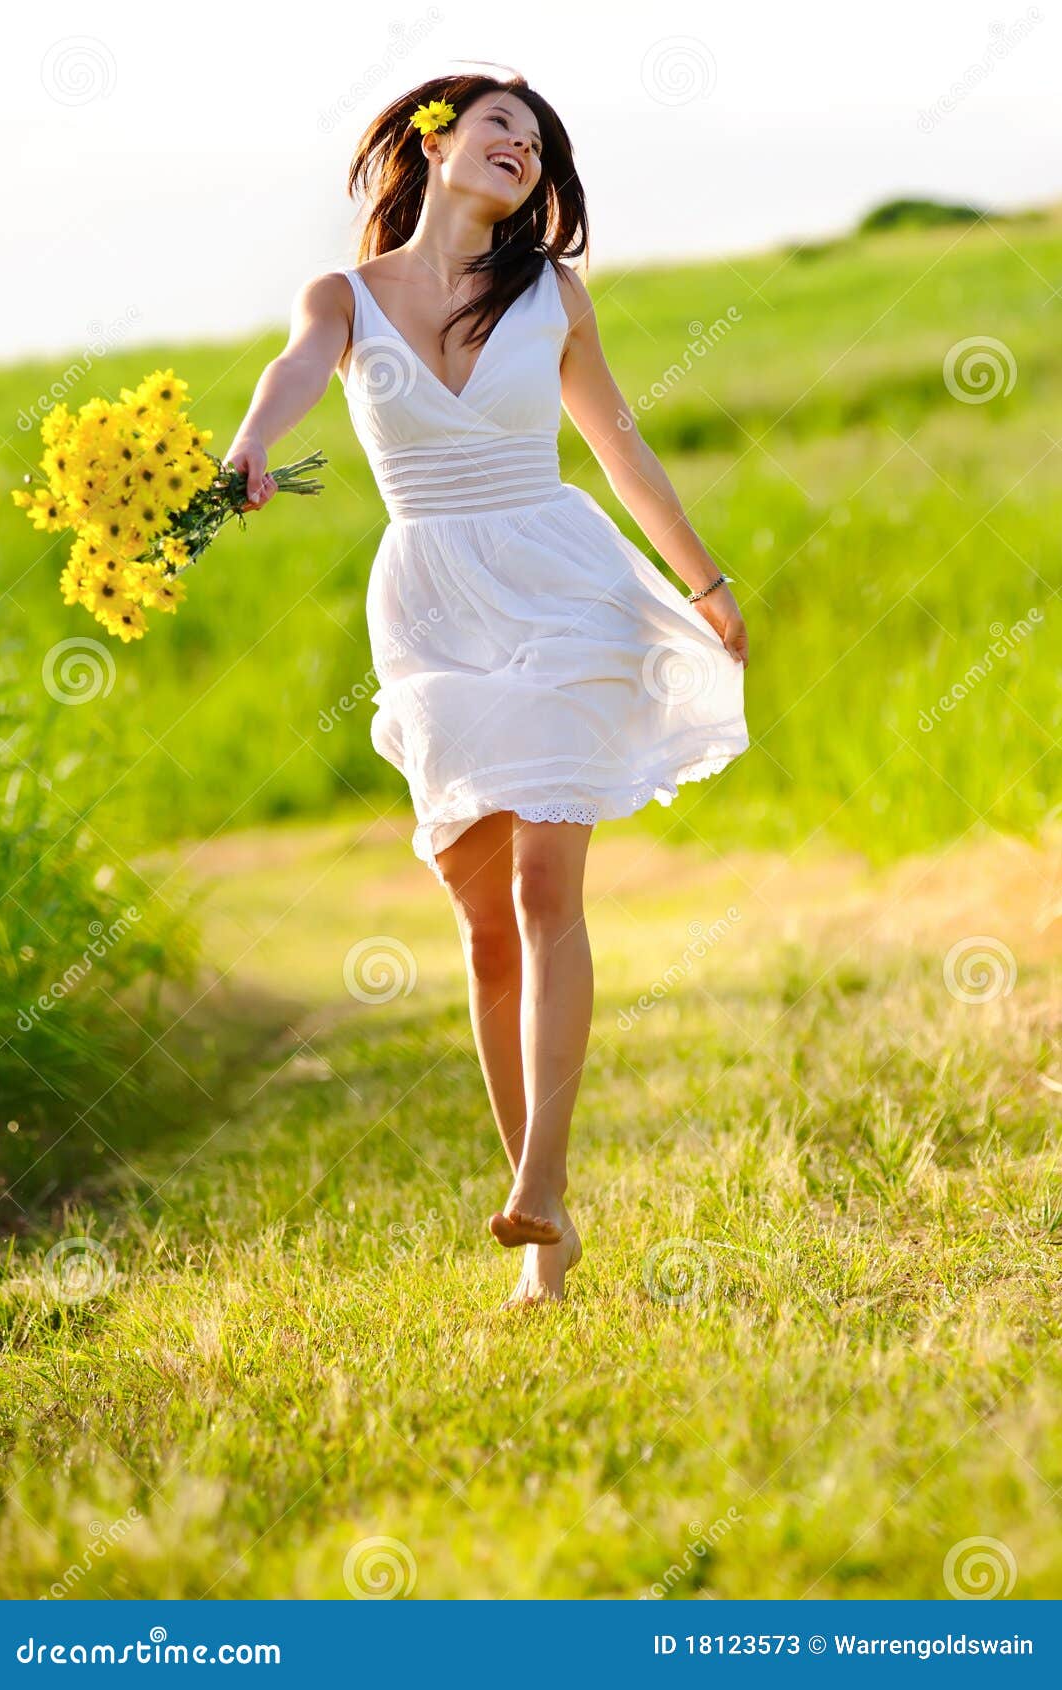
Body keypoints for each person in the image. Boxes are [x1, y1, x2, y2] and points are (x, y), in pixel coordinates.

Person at [224, 72, 750, 1306]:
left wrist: (708, 580)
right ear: (435, 142)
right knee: (480, 917)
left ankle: (543, 1185)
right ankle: (546, 1233)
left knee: (543, 879)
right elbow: (294, 373)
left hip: (563, 589)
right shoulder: (342, 298)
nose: (521, 148)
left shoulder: (552, 295)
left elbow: (618, 441)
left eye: (538, 142)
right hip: (432, 605)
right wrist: (249, 447)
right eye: (498, 126)